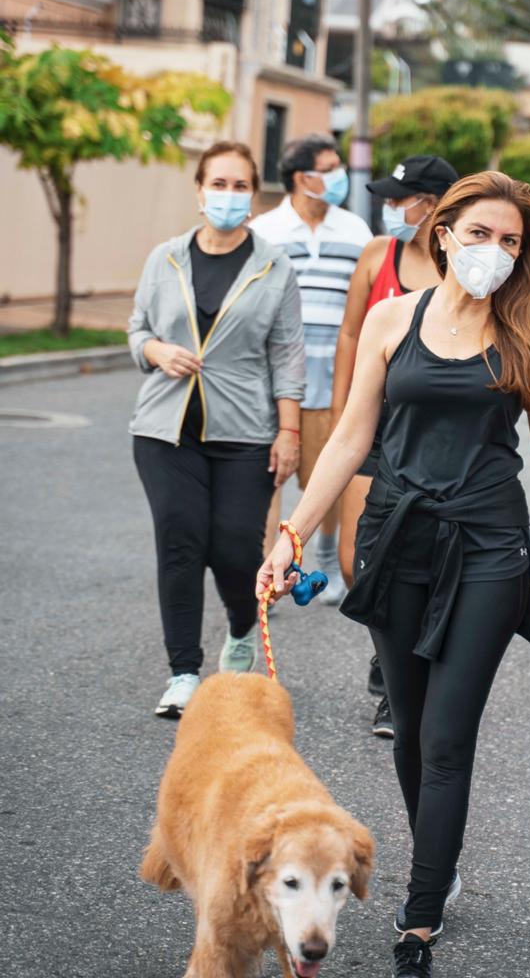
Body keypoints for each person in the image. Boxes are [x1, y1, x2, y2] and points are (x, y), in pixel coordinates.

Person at [257, 170, 530, 978]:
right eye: (482, 233)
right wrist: (291, 535)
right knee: (412, 733)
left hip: (490, 544)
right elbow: (351, 440)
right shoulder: (394, 317)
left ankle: (420, 914)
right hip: (398, 541)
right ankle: (439, 856)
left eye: (512, 241)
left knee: (448, 738)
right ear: (444, 232)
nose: (495, 251)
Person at [128, 142, 305, 718]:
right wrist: (156, 350)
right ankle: (183, 672)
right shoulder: (167, 257)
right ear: (199, 188)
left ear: (254, 194)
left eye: (240, 185)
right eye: (219, 183)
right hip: (164, 427)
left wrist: (289, 433)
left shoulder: (273, 265)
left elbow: (287, 354)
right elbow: (137, 330)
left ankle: (241, 625)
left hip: (246, 430)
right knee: (180, 540)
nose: (229, 195)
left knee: (233, 548)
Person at [331, 154, 459, 738]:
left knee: (422, 563)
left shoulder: (461, 268)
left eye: (398, 198)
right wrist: (340, 415)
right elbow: (352, 333)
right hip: (371, 428)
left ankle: (399, 684)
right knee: (357, 558)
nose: (389, 208)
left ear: (430, 205)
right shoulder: (376, 256)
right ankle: (389, 654)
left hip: (430, 438)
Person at [251, 133, 372, 602]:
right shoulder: (266, 231)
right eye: (331, 167)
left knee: (331, 477)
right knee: (269, 484)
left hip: (336, 381)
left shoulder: (356, 231)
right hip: (277, 384)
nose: (339, 175)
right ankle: (266, 578)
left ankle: (326, 565)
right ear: (304, 178)